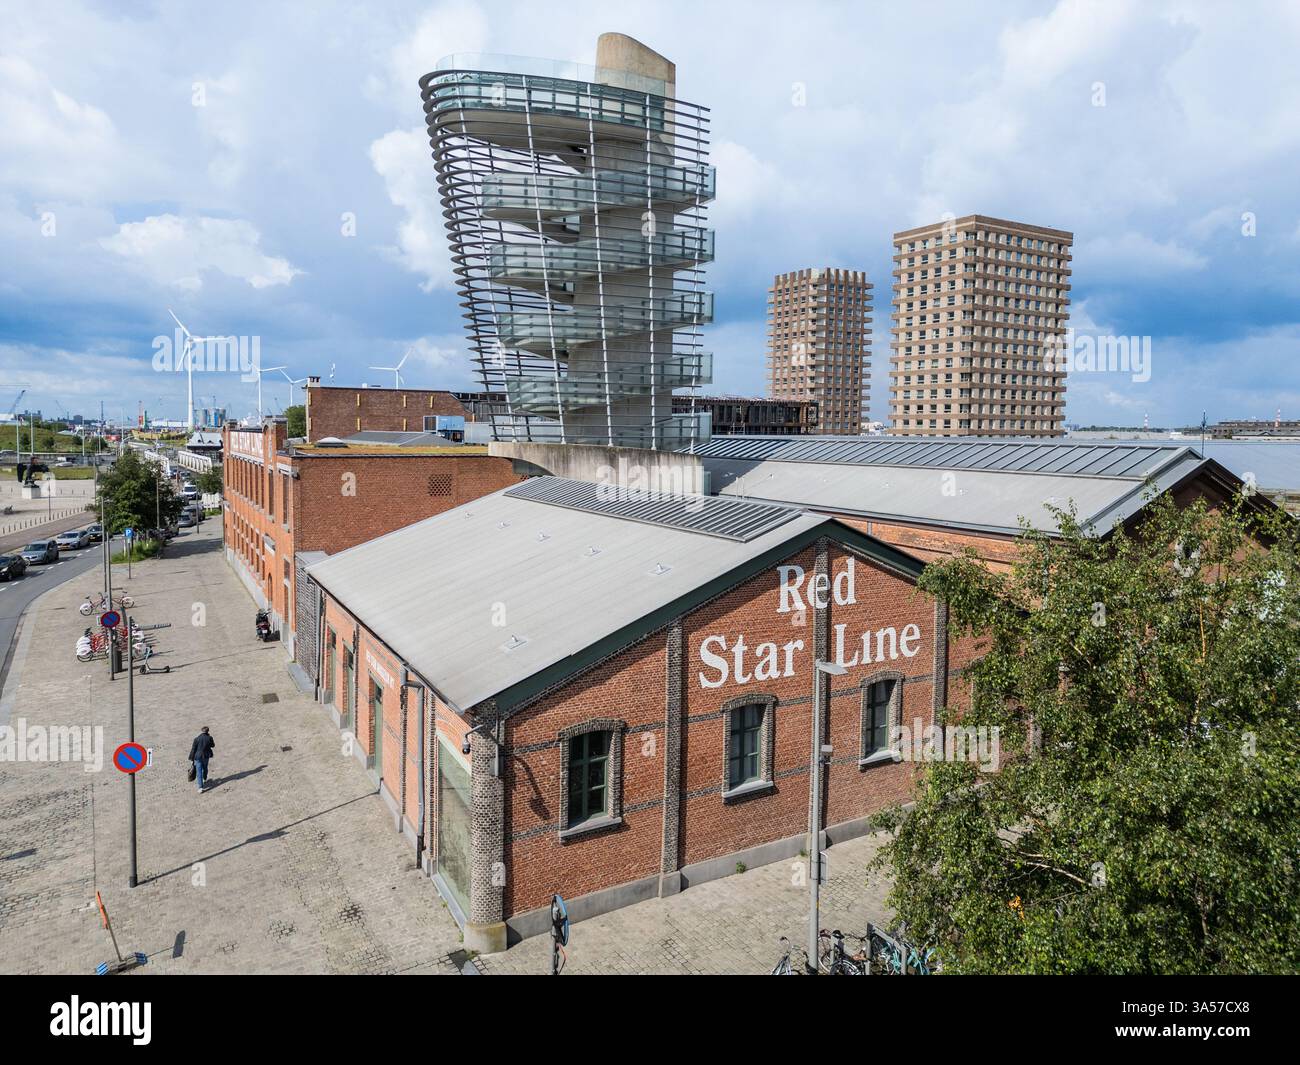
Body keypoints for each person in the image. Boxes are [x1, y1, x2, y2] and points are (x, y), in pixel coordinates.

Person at [188, 726, 215, 793]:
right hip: (206, 756)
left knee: (198, 771)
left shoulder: (197, 739)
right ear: (208, 731)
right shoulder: (210, 738)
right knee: (205, 768)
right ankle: (204, 778)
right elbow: (213, 745)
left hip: (198, 757)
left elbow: (193, 749)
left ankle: (200, 787)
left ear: (201, 731)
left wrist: (191, 758)